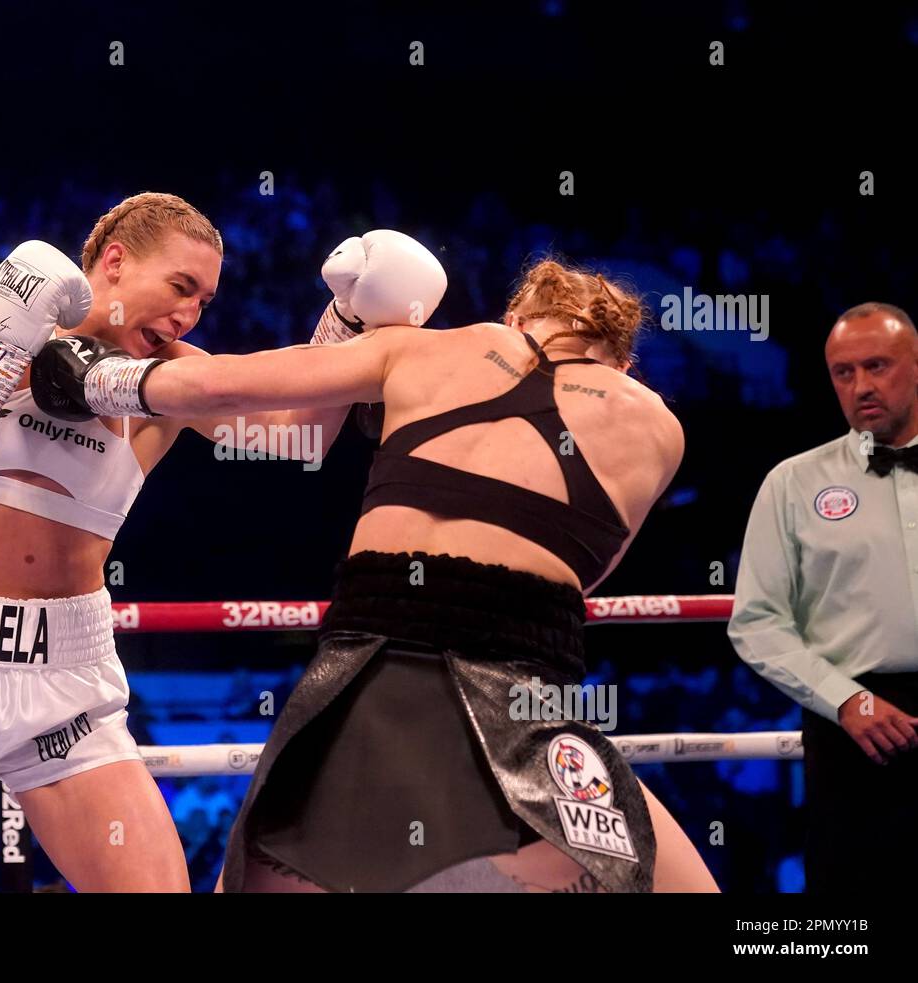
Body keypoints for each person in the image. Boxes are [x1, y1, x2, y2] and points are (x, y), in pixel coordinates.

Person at [0, 191, 446, 892]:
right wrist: (2, 355)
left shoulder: (167, 382)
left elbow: (298, 436)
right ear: (114, 262)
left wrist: (346, 321)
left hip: (62, 682)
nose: (189, 315)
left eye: (203, 302)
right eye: (180, 287)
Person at [37, 258, 718, 892]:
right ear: (623, 361)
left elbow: (223, 388)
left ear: (515, 320)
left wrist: (90, 377)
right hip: (522, 692)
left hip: (368, 673)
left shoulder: (428, 348)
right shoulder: (656, 425)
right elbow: (582, 574)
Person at [729, 302, 918, 894]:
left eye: (877, 366)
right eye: (843, 372)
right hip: (854, 722)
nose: (861, 386)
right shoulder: (793, 483)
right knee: (850, 903)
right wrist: (844, 699)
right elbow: (756, 621)